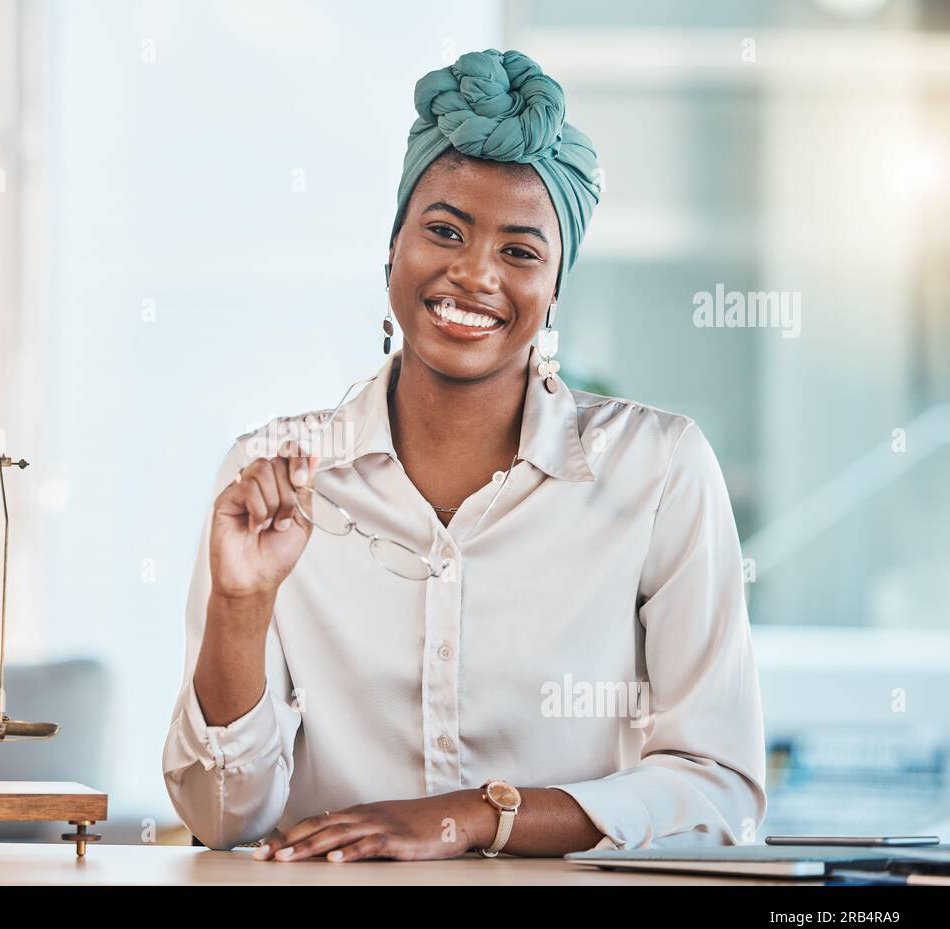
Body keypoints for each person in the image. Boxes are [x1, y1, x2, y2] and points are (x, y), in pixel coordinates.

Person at [162, 48, 766, 861]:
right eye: (443, 230)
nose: (473, 273)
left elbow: (718, 791)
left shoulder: (658, 471)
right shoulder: (275, 474)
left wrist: (478, 814)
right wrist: (241, 605)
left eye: (520, 251)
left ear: (555, 290)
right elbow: (223, 817)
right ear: (391, 253)